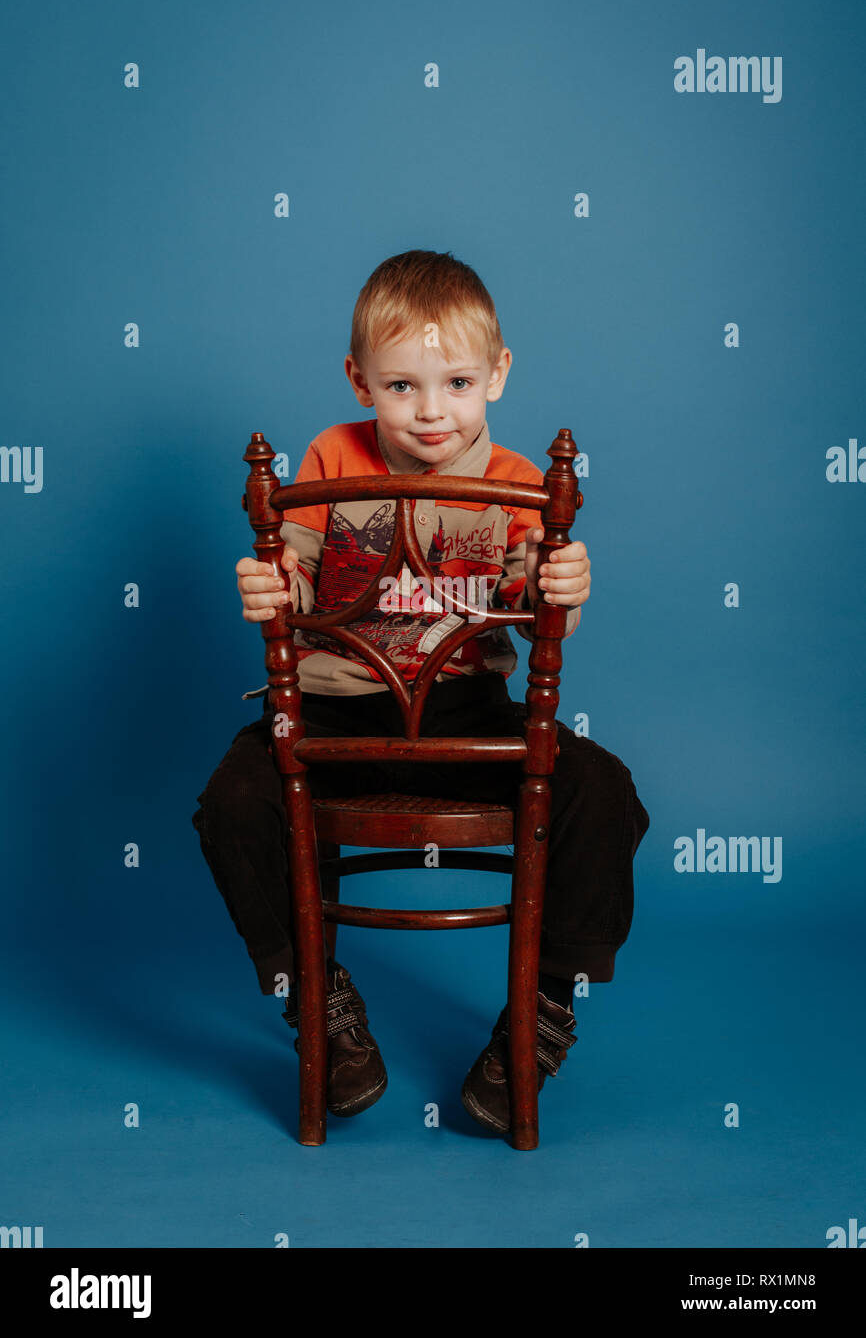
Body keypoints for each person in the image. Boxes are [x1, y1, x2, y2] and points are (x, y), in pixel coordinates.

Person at [191, 249, 650, 1135]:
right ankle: (316, 997)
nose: (431, 411)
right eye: (401, 386)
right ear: (361, 381)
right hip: (334, 712)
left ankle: (541, 1012)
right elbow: (296, 570)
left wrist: (564, 583)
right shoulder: (331, 458)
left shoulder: (521, 484)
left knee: (605, 792)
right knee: (231, 801)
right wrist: (271, 584)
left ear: (500, 375)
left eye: (458, 382)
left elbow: (532, 590)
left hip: (464, 716)